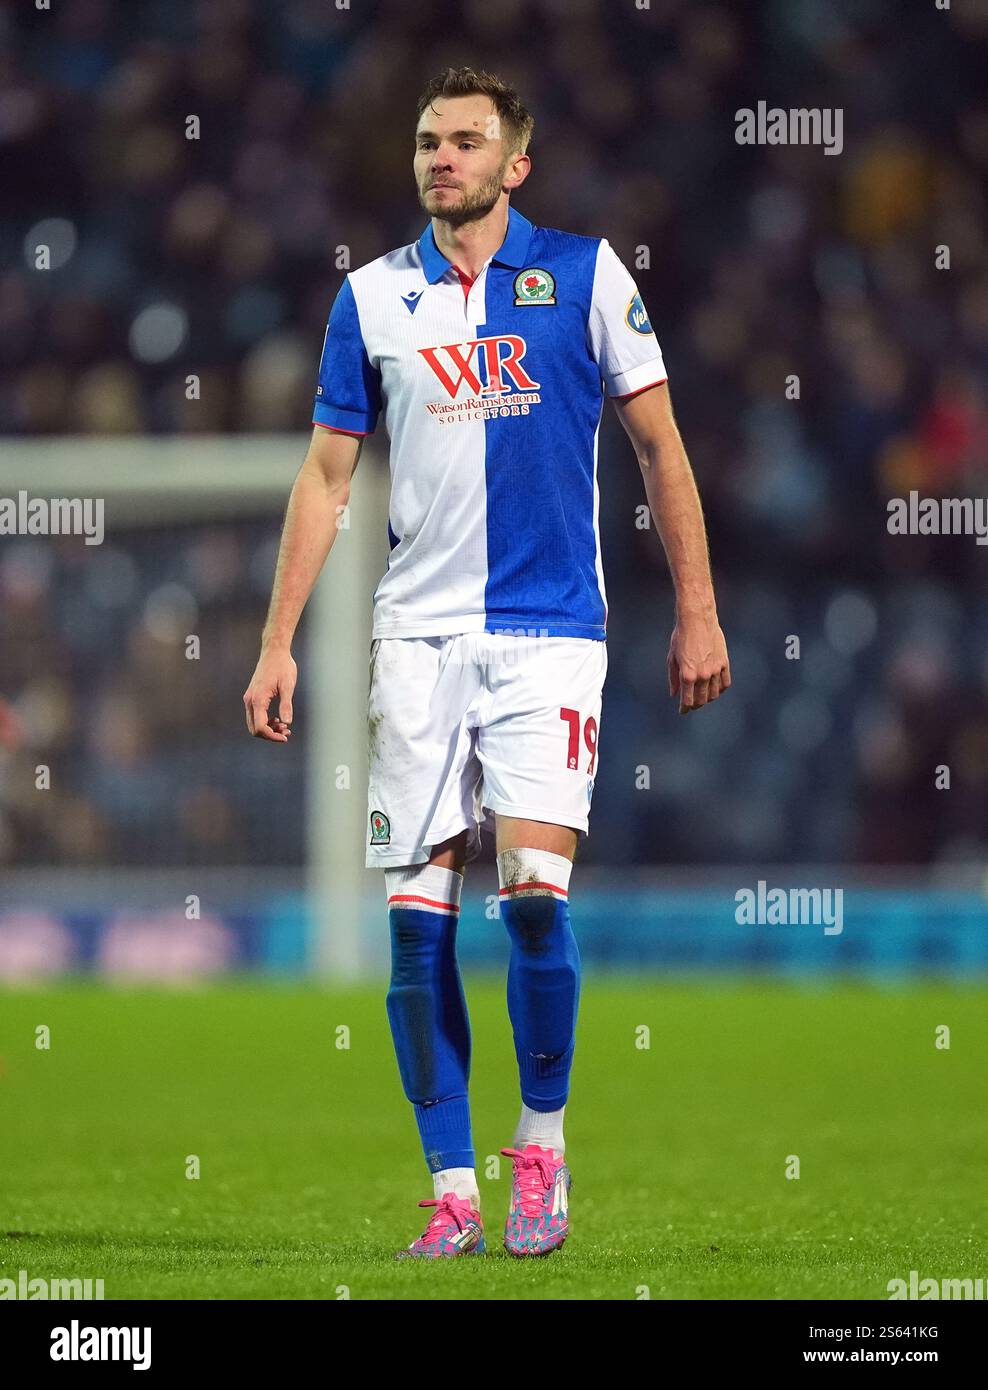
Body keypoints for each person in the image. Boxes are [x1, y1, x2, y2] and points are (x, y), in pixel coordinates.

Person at [244, 65, 730, 1259]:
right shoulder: (369, 299)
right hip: (415, 637)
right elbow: (324, 478)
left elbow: (661, 449)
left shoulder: (585, 277)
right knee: (415, 926)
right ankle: (453, 1187)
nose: (439, 158)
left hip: (549, 632)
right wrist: (274, 644)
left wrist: (699, 611)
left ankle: (542, 1152)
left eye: (465, 141)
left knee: (528, 904)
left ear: (516, 163)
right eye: (426, 140)